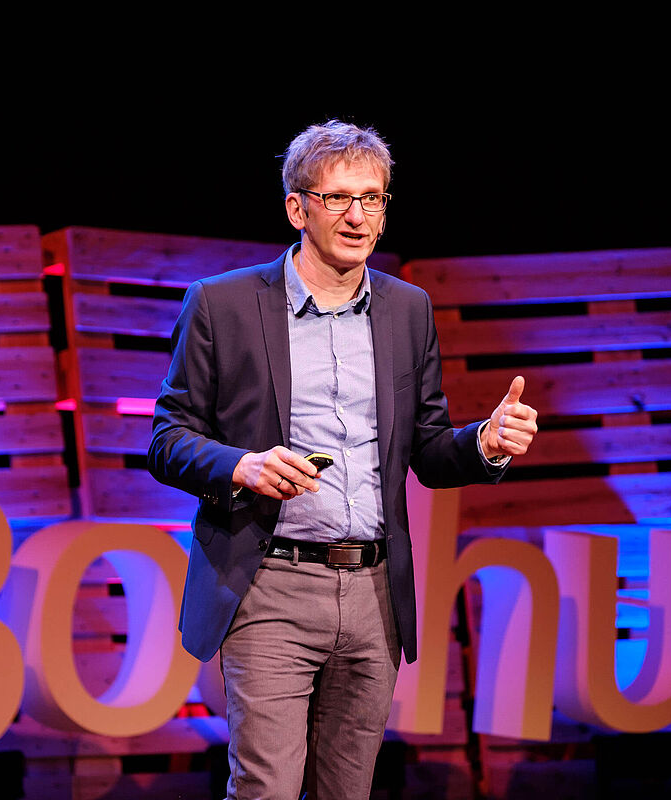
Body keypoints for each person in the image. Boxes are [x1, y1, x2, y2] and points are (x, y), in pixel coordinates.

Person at [148, 120, 538, 800]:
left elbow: (428, 447)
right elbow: (167, 438)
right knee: (267, 788)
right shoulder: (222, 304)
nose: (358, 216)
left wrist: (484, 444)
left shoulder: (408, 310)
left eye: (374, 198)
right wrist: (241, 466)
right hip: (268, 582)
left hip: (372, 594)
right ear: (298, 208)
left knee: (346, 793)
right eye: (338, 199)